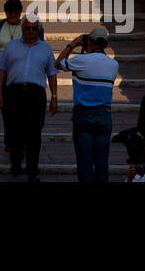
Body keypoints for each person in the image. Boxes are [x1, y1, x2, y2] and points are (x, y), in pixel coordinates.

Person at [0, 14, 59, 181]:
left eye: (34, 28)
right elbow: (1, 70)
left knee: (34, 134)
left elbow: (52, 74)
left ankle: (32, 169)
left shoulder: (45, 49)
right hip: (14, 93)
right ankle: (16, 164)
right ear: (22, 29)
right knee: (14, 131)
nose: (31, 31)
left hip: (35, 94)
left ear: (39, 29)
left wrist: (54, 97)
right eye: (27, 28)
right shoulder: (11, 47)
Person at [57, 26, 119, 183]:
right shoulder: (113, 65)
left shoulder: (81, 60)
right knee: (101, 161)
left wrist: (72, 45)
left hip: (83, 115)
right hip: (104, 115)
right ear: (106, 44)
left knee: (84, 161)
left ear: (89, 41)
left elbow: (58, 63)